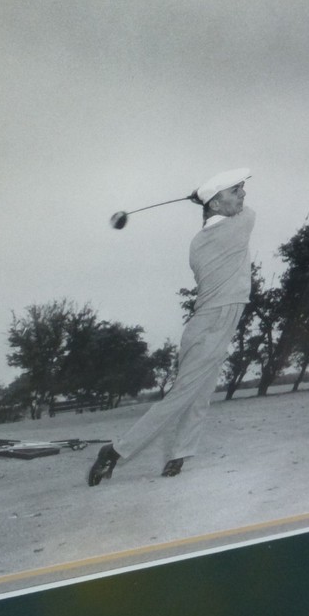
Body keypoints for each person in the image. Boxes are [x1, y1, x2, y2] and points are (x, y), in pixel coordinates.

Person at [87, 168, 255, 486]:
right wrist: (202, 196)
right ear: (217, 205)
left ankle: (179, 454)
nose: (243, 195)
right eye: (236, 191)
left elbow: (230, 208)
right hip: (213, 325)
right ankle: (114, 451)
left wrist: (205, 197)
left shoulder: (202, 239)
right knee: (181, 397)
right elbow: (247, 212)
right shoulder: (236, 228)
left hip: (211, 324)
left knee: (201, 394)